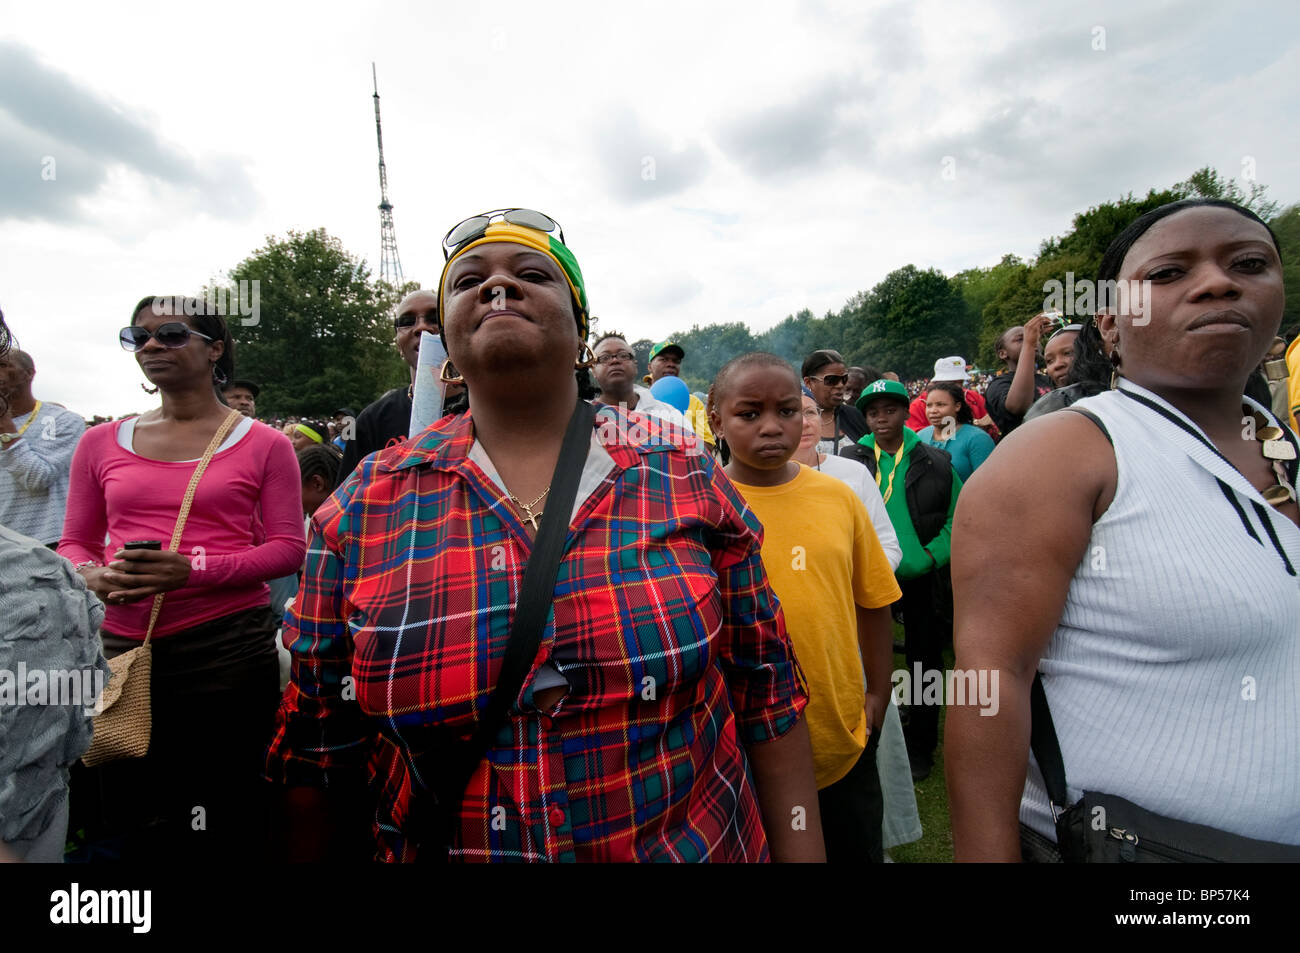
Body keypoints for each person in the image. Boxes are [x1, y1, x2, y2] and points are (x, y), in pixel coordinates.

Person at [267, 208, 824, 863]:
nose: (497, 285)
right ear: (444, 341)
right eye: (470, 279)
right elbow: (317, 751)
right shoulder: (362, 508)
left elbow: (768, 694)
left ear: (582, 330)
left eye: (532, 273)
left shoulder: (681, 470)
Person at [947, 199, 1300, 862]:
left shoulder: (1284, 447)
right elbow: (990, 679)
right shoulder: (1065, 455)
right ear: (1110, 324)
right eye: (1167, 274)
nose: (1219, 282)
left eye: (1249, 263)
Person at [60, 296, 305, 861]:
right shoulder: (100, 443)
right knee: (125, 802)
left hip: (224, 652)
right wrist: (91, 576)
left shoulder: (265, 444)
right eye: (137, 336)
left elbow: (288, 549)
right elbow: (73, 541)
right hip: (122, 649)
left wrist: (189, 572)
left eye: (171, 334)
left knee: (221, 803)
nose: (150, 346)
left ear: (214, 348)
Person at [711, 352, 900, 862]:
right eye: (749, 414)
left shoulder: (838, 499)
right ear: (717, 421)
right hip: (739, 749)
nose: (771, 427)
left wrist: (877, 695)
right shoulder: (703, 507)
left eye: (788, 411)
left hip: (842, 737)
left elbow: (874, 603)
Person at [0, 307, 107, 862]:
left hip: (37, 572)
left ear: (25, 375)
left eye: (6, 368)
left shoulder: (61, 424)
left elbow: (40, 481)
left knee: (32, 723)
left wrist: (5, 433)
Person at [842, 379, 961, 781]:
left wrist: (930, 557)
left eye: (889, 409)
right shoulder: (850, 461)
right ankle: (866, 738)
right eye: (872, 411)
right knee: (865, 658)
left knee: (924, 660)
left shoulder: (935, 460)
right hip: (865, 579)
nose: (880, 418)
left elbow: (958, 518)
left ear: (904, 410)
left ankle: (922, 744)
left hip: (920, 579)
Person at [338, 289, 466, 481]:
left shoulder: (489, 408)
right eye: (407, 322)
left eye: (433, 318)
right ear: (398, 344)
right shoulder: (371, 422)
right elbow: (347, 501)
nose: (422, 327)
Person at [793, 393, 901, 570]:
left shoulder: (854, 472)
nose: (805, 423)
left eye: (810, 412)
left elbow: (886, 544)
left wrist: (859, 585)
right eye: (792, 413)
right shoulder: (761, 480)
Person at [0, 347, 86, 546]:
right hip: (4, 545)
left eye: (3, 365)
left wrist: (4, 423)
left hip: (46, 542)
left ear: (29, 373)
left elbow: (37, 478)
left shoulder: (62, 420)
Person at [590, 331, 687, 428]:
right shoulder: (581, 419)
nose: (615, 361)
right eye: (605, 358)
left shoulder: (670, 416)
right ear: (593, 370)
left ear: (635, 366)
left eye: (623, 355)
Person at [984, 320, 1055, 436]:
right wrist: (1029, 344)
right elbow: (1019, 407)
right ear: (1003, 353)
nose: (1032, 341)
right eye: (1020, 339)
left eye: (1034, 338)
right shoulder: (998, 384)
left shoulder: (1048, 379)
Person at [917, 381, 995, 482]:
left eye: (940, 405)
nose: (933, 410)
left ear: (957, 406)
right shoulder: (920, 437)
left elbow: (987, 483)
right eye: (929, 405)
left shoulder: (978, 439)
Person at [907, 357, 997, 440]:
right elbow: (918, 441)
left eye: (960, 382)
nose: (958, 386)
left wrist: (986, 427)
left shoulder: (973, 397)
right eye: (952, 382)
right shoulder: (918, 406)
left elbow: (993, 428)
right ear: (937, 382)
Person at [644, 340, 714, 446]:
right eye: (664, 359)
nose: (671, 364)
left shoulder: (694, 403)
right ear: (649, 366)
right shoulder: (637, 399)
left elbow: (707, 445)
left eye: (676, 361)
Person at [803, 349, 868, 453]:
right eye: (831, 380)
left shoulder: (857, 417)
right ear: (809, 382)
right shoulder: (794, 421)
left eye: (844, 379)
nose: (840, 385)